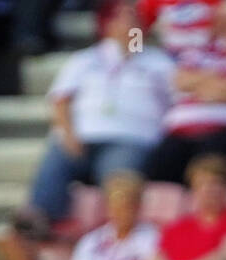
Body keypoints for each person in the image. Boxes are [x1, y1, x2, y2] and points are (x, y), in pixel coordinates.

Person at [27, 1, 174, 223]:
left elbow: (177, 102)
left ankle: (115, 232)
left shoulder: (161, 63)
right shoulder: (84, 59)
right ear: (108, 25)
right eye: (122, 18)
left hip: (131, 138)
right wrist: (68, 134)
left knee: (119, 175)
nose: (129, 25)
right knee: (53, 166)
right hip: (81, 136)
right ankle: (39, 226)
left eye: (134, 19)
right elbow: (60, 100)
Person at [144, 0, 226, 184]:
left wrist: (200, 84)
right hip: (183, 131)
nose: (223, 26)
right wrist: (222, 76)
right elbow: (180, 80)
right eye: (221, 20)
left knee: (210, 162)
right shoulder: (202, 50)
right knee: (159, 166)